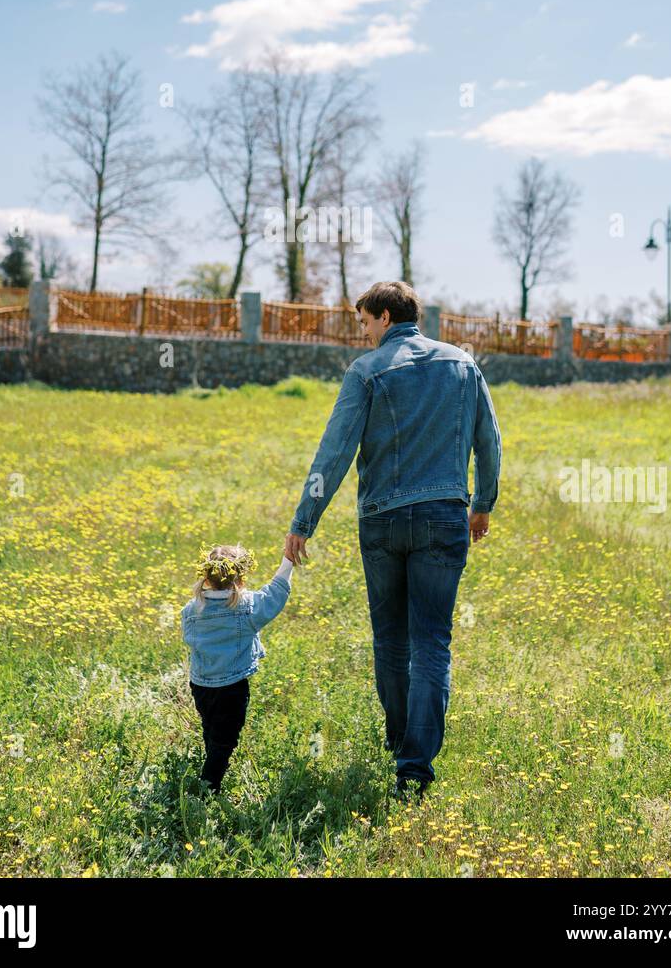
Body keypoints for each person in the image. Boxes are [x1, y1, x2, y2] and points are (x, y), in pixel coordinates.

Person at [284, 280, 501, 802]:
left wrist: (303, 520)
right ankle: (414, 766)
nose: (363, 334)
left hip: (381, 522)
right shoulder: (462, 365)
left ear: (384, 316)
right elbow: (488, 440)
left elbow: (333, 452)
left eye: (363, 323)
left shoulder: (366, 372)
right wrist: (482, 504)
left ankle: (399, 738)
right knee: (432, 642)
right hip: (444, 517)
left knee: (391, 639)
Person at [181, 543, 294, 793]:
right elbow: (275, 595)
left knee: (211, 728)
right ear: (241, 578)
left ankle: (211, 766)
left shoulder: (191, 609)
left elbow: (188, 638)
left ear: (206, 577)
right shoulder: (246, 607)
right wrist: (288, 562)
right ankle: (208, 788)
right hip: (231, 687)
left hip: (200, 684)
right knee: (226, 739)